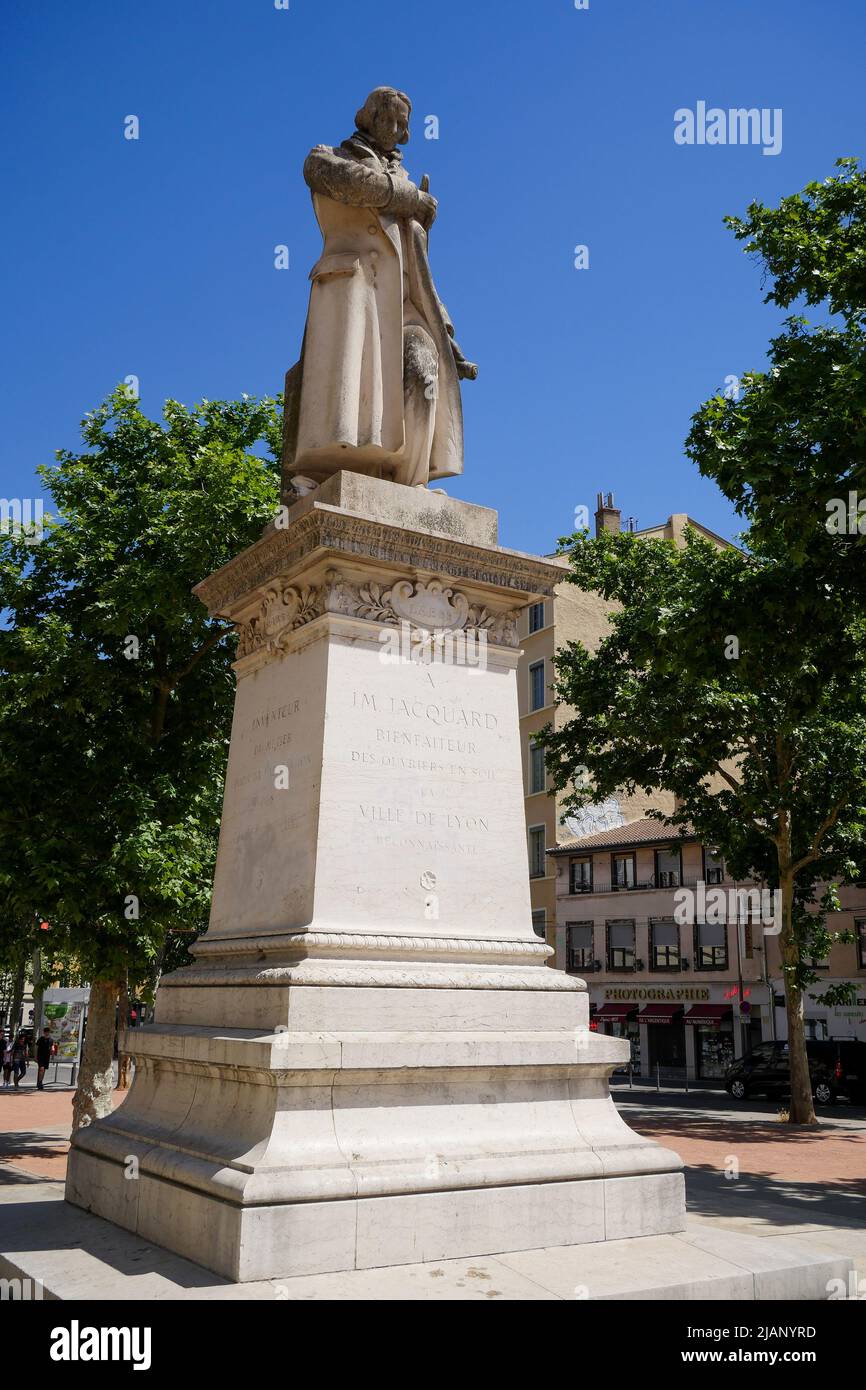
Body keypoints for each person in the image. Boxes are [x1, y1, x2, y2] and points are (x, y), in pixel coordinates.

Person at [36, 1026, 55, 1091]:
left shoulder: (51, 1040)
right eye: (45, 1032)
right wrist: (35, 1056)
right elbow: (36, 1048)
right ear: (44, 1032)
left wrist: (52, 1055)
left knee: (43, 1070)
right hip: (40, 1056)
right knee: (41, 1068)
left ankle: (40, 1082)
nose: (47, 1033)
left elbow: (52, 1048)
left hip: (46, 1057)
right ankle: (40, 1082)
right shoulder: (41, 1039)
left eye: (48, 1032)